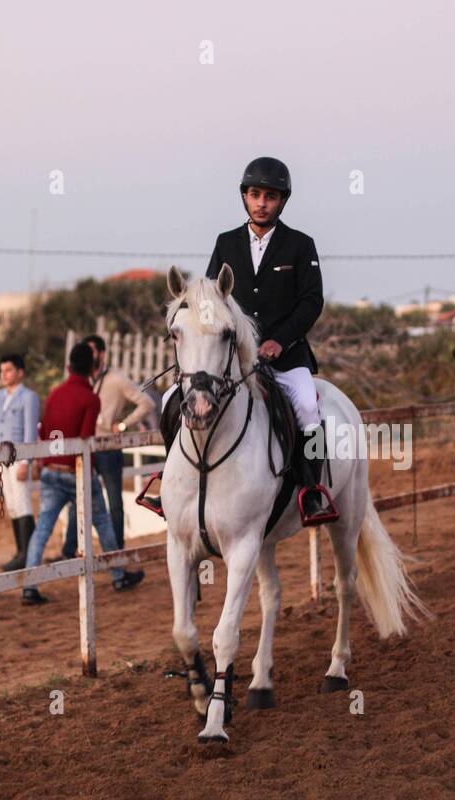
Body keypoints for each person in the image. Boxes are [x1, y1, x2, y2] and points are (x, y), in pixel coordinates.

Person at [151, 155, 336, 524]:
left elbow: (311, 301)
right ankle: (168, 482)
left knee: (307, 407)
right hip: (232, 359)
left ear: (282, 201)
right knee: (173, 398)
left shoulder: (300, 245)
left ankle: (313, 489)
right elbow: (208, 300)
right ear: (245, 197)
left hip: (284, 356)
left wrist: (280, 341)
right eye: (255, 195)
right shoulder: (226, 243)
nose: (262, 203)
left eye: (270, 196)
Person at [21, 342, 144, 606]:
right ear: (91, 368)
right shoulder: (90, 398)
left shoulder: (54, 394)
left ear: (68, 367)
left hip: (51, 471)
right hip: (77, 474)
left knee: (42, 528)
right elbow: (86, 438)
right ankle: (119, 575)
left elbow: (44, 432)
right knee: (103, 522)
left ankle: (29, 586)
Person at [60, 334, 155, 559]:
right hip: (86, 447)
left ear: (102, 354)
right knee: (78, 499)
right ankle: (68, 551)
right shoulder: (81, 378)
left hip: (109, 449)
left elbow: (147, 403)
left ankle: (117, 553)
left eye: (92, 351)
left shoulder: (117, 378)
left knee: (114, 503)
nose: (89, 357)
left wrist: (123, 425)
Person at [0, 353, 40, 571]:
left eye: (8, 370)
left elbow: (30, 431)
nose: (4, 375)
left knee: (23, 502)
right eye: (2, 371)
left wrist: (26, 462)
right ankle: (20, 552)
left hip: (19, 455)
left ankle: (27, 554)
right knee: (11, 503)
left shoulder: (28, 397)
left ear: (20, 372)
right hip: (3, 457)